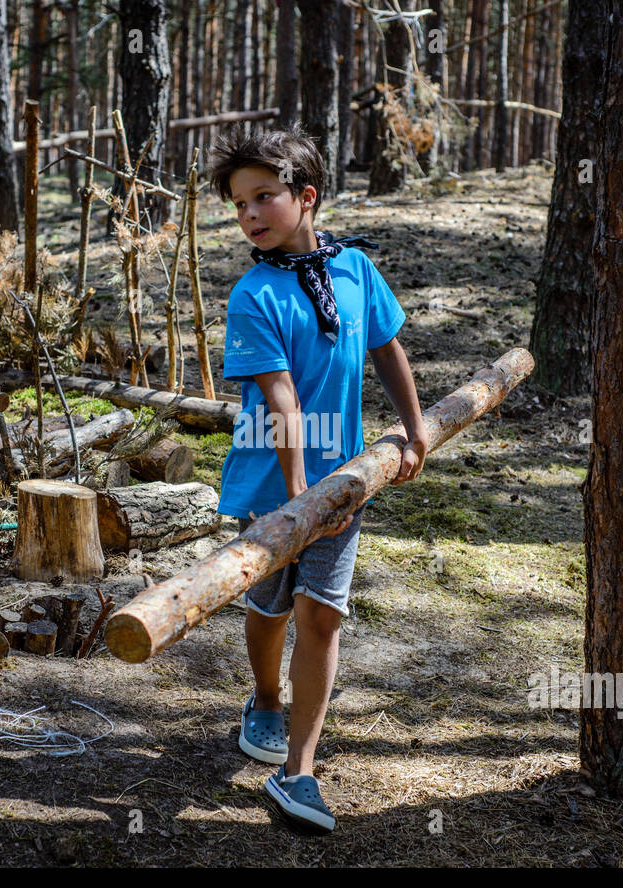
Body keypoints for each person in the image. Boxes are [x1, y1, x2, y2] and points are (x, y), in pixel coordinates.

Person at [207, 123, 428, 833]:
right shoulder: (253, 295)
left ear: (307, 197)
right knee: (270, 604)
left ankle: (298, 769)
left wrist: (414, 428)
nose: (248, 215)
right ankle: (265, 698)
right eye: (239, 204)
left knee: (322, 612)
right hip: (276, 484)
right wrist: (299, 507)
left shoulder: (357, 270)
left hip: (344, 480)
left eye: (262, 197)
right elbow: (281, 403)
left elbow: (387, 347)